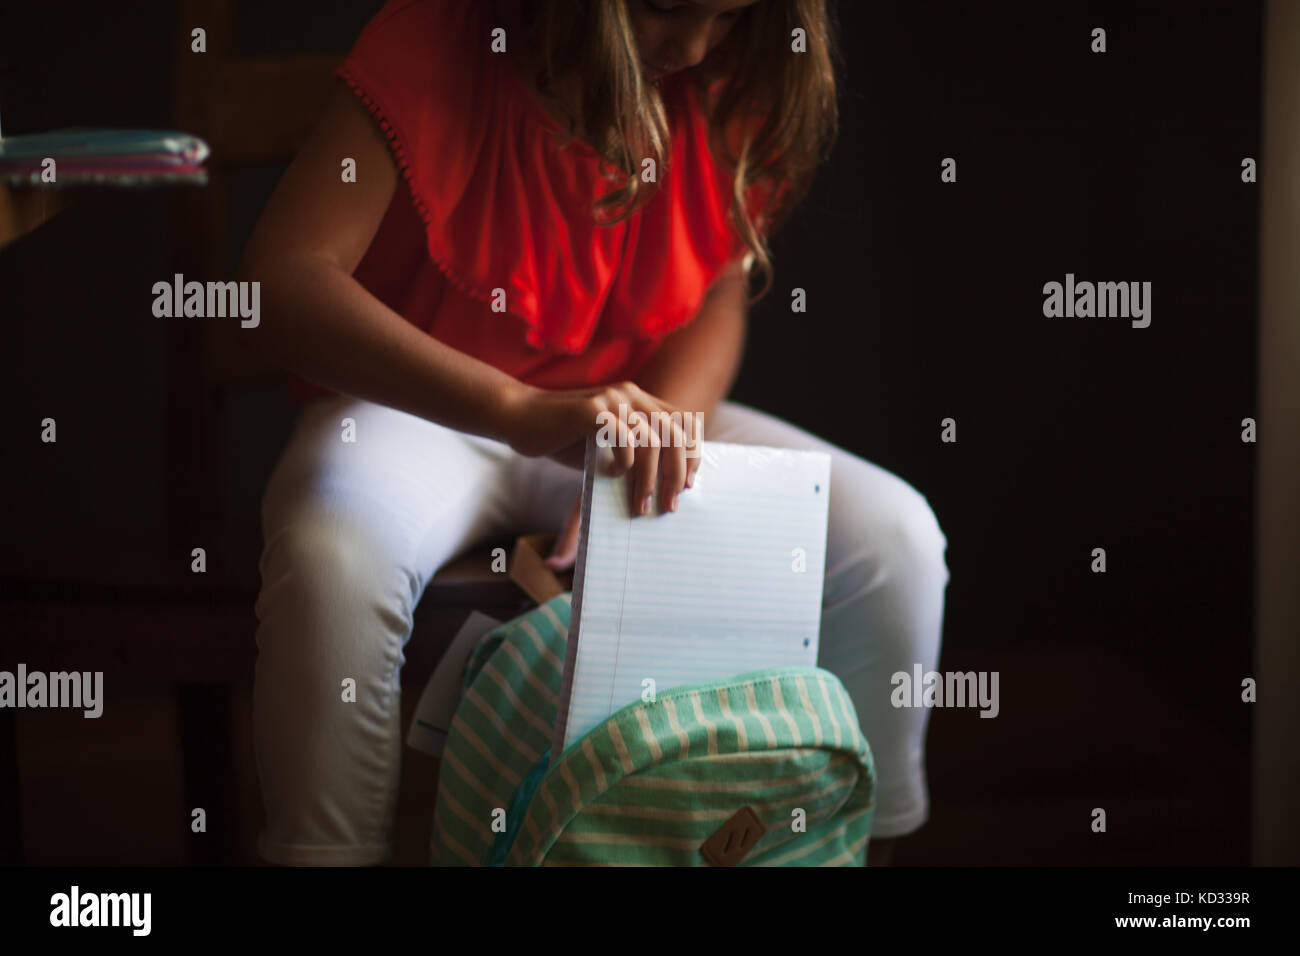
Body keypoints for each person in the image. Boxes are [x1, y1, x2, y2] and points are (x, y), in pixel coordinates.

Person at [237, 0, 949, 867]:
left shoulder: (737, 74)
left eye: (724, 19)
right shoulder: (444, 33)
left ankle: (855, 843)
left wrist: (670, 429)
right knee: (331, 559)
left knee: (895, 541)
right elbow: (281, 284)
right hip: (420, 410)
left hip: (626, 414)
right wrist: (519, 411)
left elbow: (715, 291)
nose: (690, 50)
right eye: (660, 10)